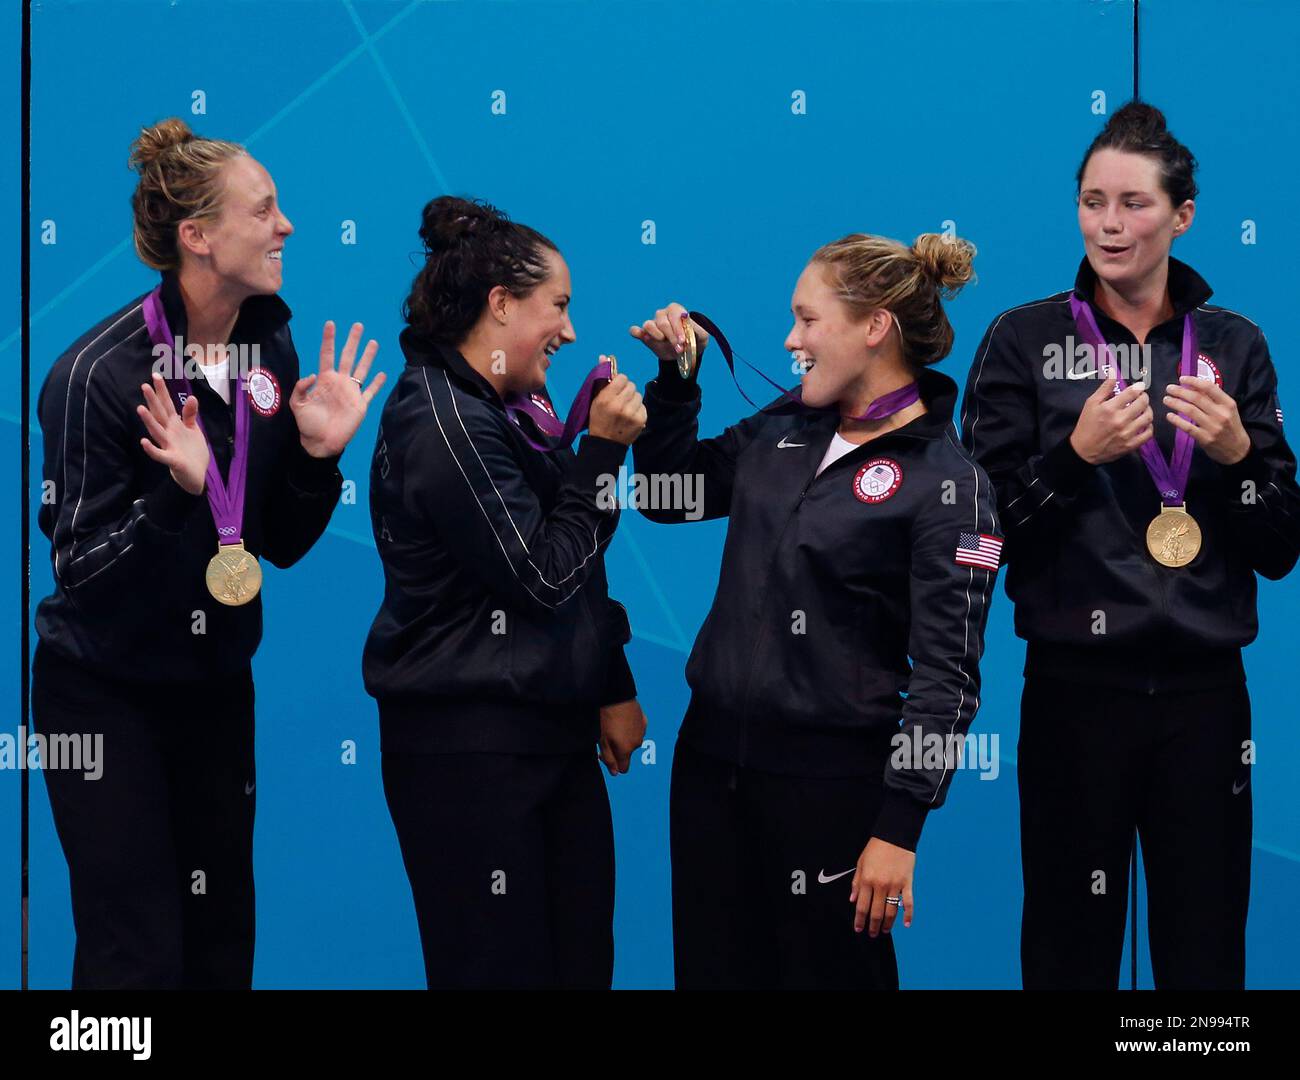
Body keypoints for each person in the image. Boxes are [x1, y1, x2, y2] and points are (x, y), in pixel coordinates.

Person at [32, 118, 384, 989]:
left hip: (215, 683)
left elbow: (274, 546)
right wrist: (174, 494)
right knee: (134, 951)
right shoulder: (95, 378)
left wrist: (315, 456)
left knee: (221, 936)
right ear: (196, 237)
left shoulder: (268, 343)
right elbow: (83, 578)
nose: (287, 227)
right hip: (104, 695)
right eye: (264, 210)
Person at [960, 102, 1300, 989]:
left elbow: (1280, 543)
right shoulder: (1024, 340)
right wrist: (1074, 458)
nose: (1109, 225)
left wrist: (1232, 458)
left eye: (1134, 204)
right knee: (1069, 951)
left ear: (1182, 215)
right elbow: (977, 533)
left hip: (1205, 700)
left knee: (1204, 954)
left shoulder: (1234, 345)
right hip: (1076, 698)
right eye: (1092, 201)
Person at [630, 232, 999, 989]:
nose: (791, 341)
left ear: (874, 328)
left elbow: (949, 681)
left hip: (831, 791)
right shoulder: (787, 424)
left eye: (806, 320)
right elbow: (669, 496)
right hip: (708, 770)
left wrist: (900, 830)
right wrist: (675, 381)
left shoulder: (949, 486)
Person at [362, 196, 648, 990]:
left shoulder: (513, 407)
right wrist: (601, 456)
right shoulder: (445, 422)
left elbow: (576, 558)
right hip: (470, 752)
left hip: (549, 735)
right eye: (558, 306)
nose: (569, 330)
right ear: (500, 305)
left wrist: (611, 681)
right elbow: (544, 573)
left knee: (579, 968)